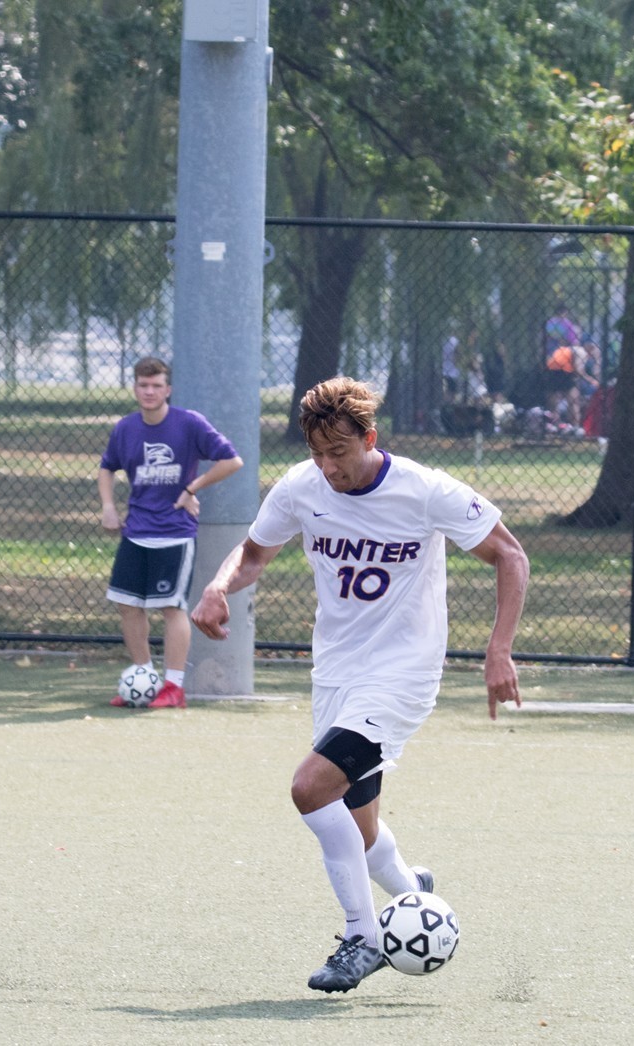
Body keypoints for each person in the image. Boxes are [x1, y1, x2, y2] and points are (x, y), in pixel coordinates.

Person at [190, 376, 529, 994]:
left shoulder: (424, 491)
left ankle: (362, 937)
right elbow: (255, 555)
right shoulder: (301, 486)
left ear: (369, 439)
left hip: (402, 676)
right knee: (357, 820)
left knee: (310, 788)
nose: (327, 467)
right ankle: (410, 893)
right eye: (317, 454)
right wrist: (217, 587)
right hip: (337, 674)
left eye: (338, 454)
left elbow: (511, 555)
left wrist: (498, 649)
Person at [97, 357, 243, 708]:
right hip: (136, 532)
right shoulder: (126, 428)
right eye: (143, 385)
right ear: (135, 388)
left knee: (170, 607)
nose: (149, 392)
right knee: (128, 605)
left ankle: (174, 687)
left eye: (156, 385)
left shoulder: (189, 424)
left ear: (168, 389)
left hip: (174, 534)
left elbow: (231, 460)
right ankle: (144, 678)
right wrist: (108, 507)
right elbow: (106, 468)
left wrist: (192, 488)